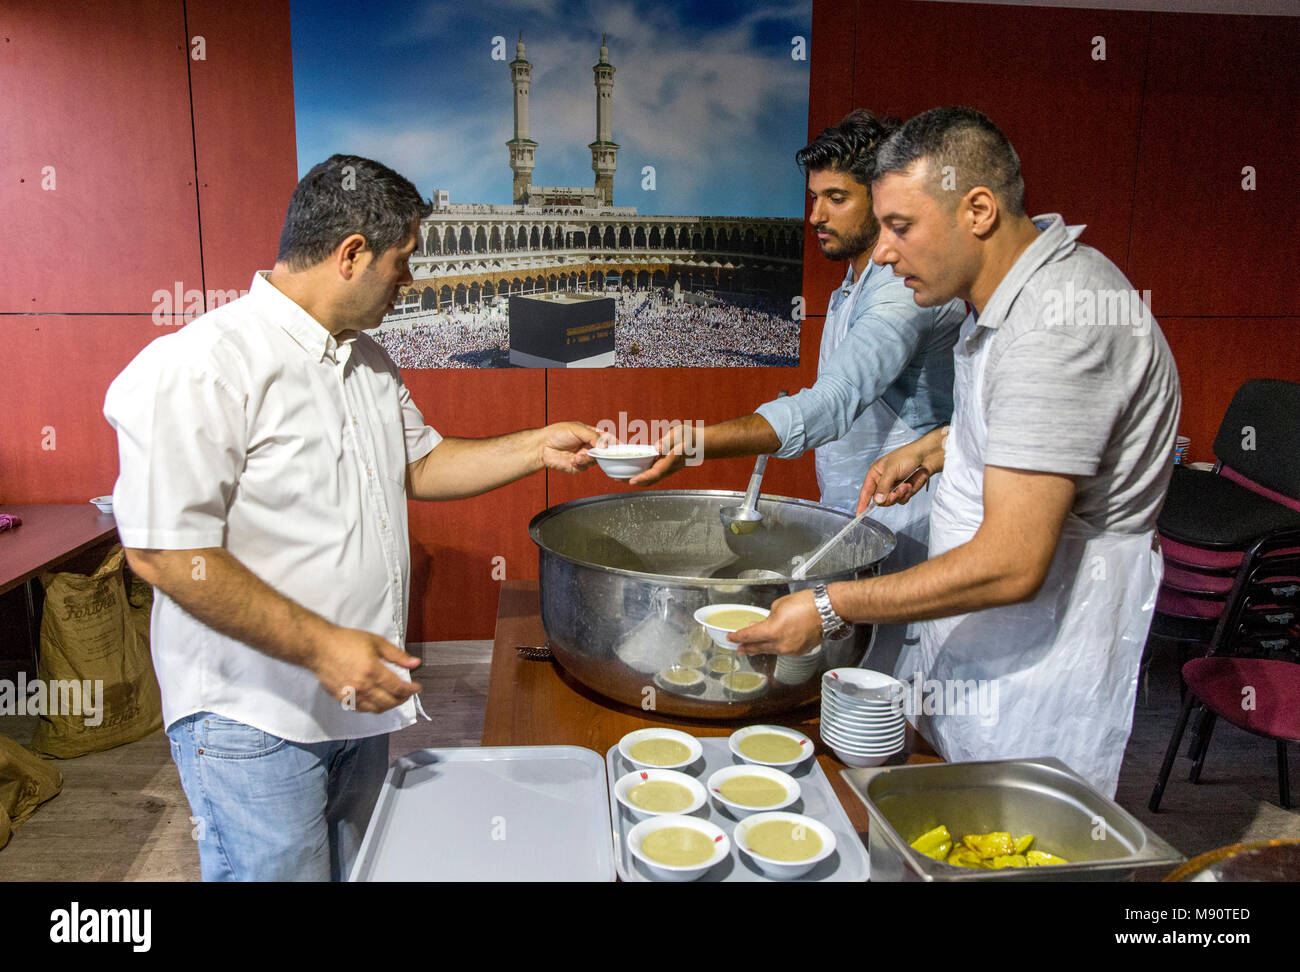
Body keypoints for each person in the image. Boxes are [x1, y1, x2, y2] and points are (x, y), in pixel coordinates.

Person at [103, 155, 602, 881]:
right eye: (402, 262)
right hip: (253, 715)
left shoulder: (367, 360)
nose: (411, 282)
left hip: (352, 697)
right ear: (351, 254)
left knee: (354, 867)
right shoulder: (202, 364)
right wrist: (321, 648)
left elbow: (420, 467)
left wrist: (535, 446)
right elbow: (163, 552)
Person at [730, 108, 1180, 797]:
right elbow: (1024, 428)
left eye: (900, 228)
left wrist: (829, 606)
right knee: (950, 809)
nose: (881, 253)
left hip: (1039, 646)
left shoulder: (1057, 325)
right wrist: (939, 447)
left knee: (1009, 839)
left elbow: (1011, 563)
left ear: (977, 209)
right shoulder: (1010, 301)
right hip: (988, 634)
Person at [631, 110, 967, 675]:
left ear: (882, 196)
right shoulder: (856, 283)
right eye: (813, 198)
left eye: (836, 198)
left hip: (909, 531)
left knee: (892, 688)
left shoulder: (898, 292)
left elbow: (832, 402)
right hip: (856, 519)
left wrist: (700, 443)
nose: (815, 216)